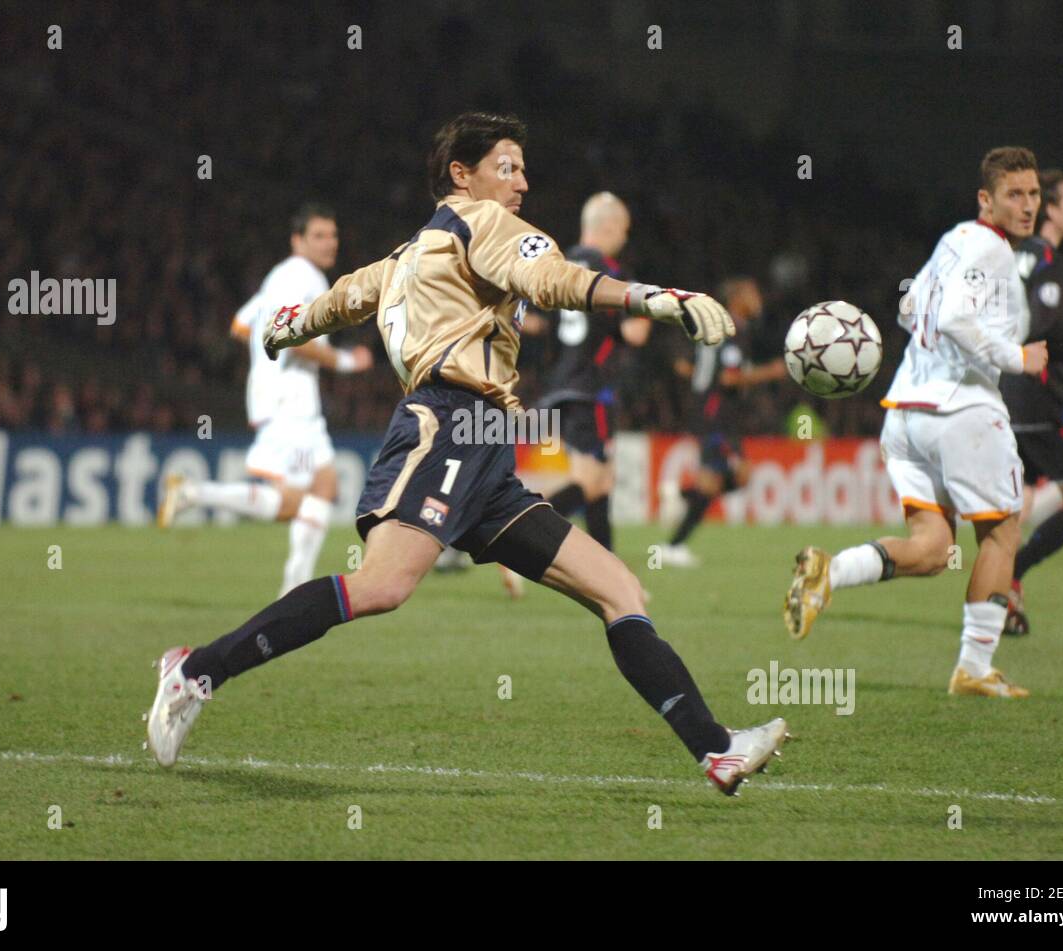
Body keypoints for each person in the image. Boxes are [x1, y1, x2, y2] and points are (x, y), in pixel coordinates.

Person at [145, 112, 789, 795]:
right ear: (463, 174)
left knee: (619, 588)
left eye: (521, 167)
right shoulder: (484, 224)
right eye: (507, 166)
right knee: (384, 586)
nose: (523, 182)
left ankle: (715, 748)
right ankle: (196, 670)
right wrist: (653, 298)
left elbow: (341, 300)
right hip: (449, 423)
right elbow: (558, 280)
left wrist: (288, 328)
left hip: (486, 452)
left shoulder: (405, 255)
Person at [783, 147, 1048, 698]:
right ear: (987, 199)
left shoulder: (953, 239)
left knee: (930, 550)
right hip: (962, 412)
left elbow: (910, 310)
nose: (1027, 206)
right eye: (1014, 195)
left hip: (904, 414)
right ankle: (974, 668)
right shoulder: (993, 250)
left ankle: (829, 573)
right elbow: (953, 316)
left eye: (1033, 194)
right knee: (1001, 533)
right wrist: (1017, 357)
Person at [157, 205, 373, 596]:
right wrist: (344, 361)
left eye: (333, 235)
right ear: (298, 240)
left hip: (279, 395)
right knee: (295, 501)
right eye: (319, 236)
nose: (330, 243)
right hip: (290, 399)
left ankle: (294, 585)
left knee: (324, 485)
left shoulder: (277, 277)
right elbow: (291, 336)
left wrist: (263, 362)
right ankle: (194, 494)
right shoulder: (304, 277)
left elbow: (241, 326)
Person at [998, 170, 1063, 633]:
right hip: (1043, 402)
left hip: (1008, 395)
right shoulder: (1051, 262)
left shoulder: (1009, 254)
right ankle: (1015, 572)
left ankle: (1000, 603)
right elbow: (1039, 327)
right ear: (1052, 209)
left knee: (1017, 506)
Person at [531, 192, 648, 554]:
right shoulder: (610, 275)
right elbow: (635, 335)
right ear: (610, 226)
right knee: (591, 482)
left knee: (602, 482)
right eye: (624, 230)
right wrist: (650, 304)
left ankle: (610, 572)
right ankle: (521, 525)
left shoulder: (556, 267)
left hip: (559, 387)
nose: (625, 238)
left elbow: (533, 323)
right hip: (592, 388)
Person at [661, 276, 784, 566]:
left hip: (717, 413)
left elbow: (692, 365)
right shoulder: (732, 329)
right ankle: (673, 544)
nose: (758, 300)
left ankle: (679, 496)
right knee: (723, 479)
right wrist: (771, 372)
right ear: (738, 298)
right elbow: (728, 377)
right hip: (716, 414)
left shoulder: (720, 325)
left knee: (735, 477)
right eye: (752, 293)